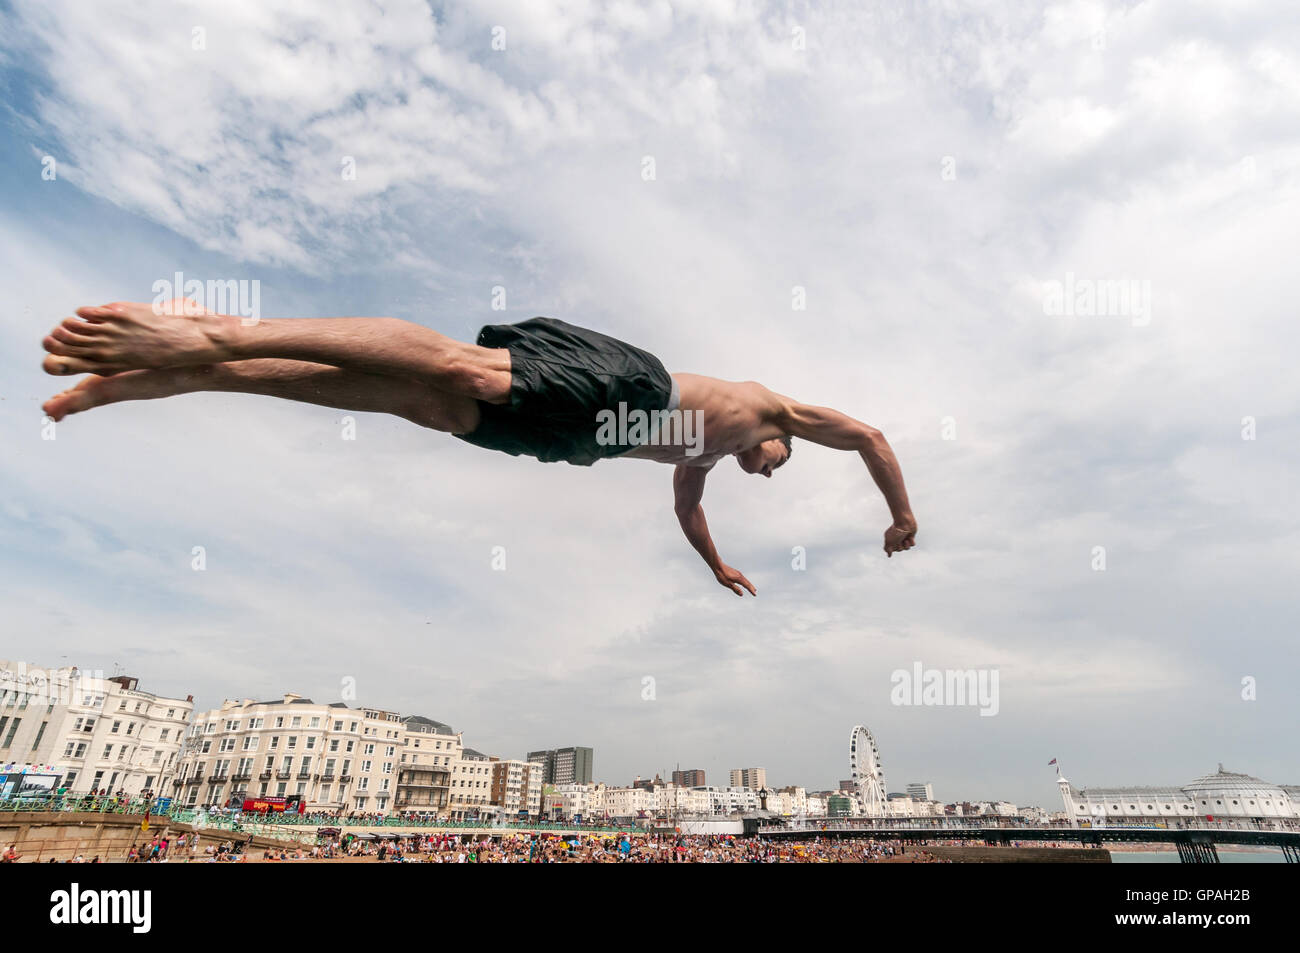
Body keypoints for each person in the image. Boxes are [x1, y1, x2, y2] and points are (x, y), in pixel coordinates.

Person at [40, 301, 917, 592]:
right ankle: (224, 336)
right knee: (461, 368)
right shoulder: (772, 412)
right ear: (778, 442)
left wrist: (717, 567)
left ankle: (203, 371)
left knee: (415, 402)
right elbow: (870, 436)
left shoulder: (704, 459)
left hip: (574, 439)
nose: (766, 472)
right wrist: (902, 514)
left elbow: (687, 513)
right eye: (774, 466)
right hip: (625, 386)